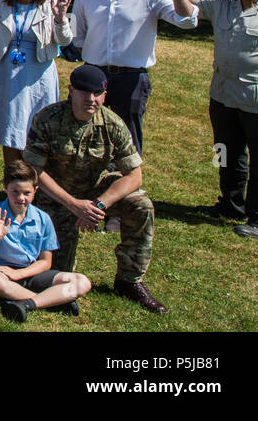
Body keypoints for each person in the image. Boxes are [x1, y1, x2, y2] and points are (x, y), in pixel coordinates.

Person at [23, 63, 165, 313]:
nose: (91, 99)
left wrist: (100, 205)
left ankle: (130, 281)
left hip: (94, 194)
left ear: (104, 95)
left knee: (140, 204)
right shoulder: (48, 118)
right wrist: (74, 205)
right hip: (55, 196)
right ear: (71, 91)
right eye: (84, 92)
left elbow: (134, 175)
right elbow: (34, 170)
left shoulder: (113, 124)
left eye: (97, 94)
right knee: (54, 273)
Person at [162, 0, 258, 238]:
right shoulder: (223, 6)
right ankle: (231, 205)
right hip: (223, 96)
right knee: (226, 153)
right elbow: (185, 8)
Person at [69, 0, 196, 154]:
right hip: (93, 76)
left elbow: (187, 20)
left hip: (132, 79)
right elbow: (77, 35)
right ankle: (88, 183)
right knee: (86, 133)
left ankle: (127, 183)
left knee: (127, 138)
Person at [0, 0, 73, 166]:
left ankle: (35, 180)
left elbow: (64, 40)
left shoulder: (51, 4)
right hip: (7, 71)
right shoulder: (0, 5)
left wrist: (60, 19)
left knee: (36, 124)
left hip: (37, 72)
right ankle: (12, 176)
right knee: (10, 122)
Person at [0, 159, 90, 323]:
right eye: (14, 191)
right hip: (3, 273)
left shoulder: (42, 219)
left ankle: (28, 303)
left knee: (82, 282)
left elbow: (46, 261)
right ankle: (53, 301)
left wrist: (20, 273)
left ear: (35, 190)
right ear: (5, 187)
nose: (20, 198)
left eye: (26, 193)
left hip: (32, 272)